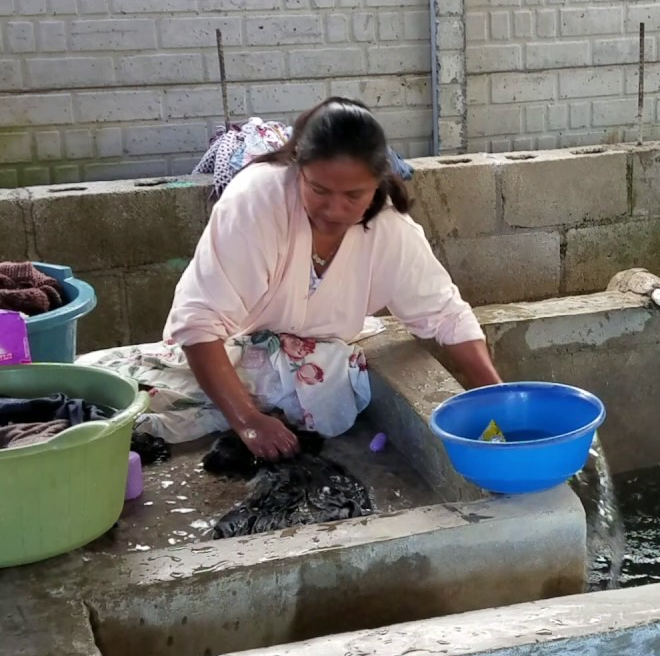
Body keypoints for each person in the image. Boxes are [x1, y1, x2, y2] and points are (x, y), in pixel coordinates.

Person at [78, 97, 502, 460]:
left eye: (353, 195)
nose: (335, 209)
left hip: (314, 357)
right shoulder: (256, 201)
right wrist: (247, 420)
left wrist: (497, 398)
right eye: (319, 190)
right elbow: (200, 322)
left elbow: (444, 314)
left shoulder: (389, 228)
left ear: (377, 185)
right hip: (235, 347)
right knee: (107, 398)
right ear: (297, 168)